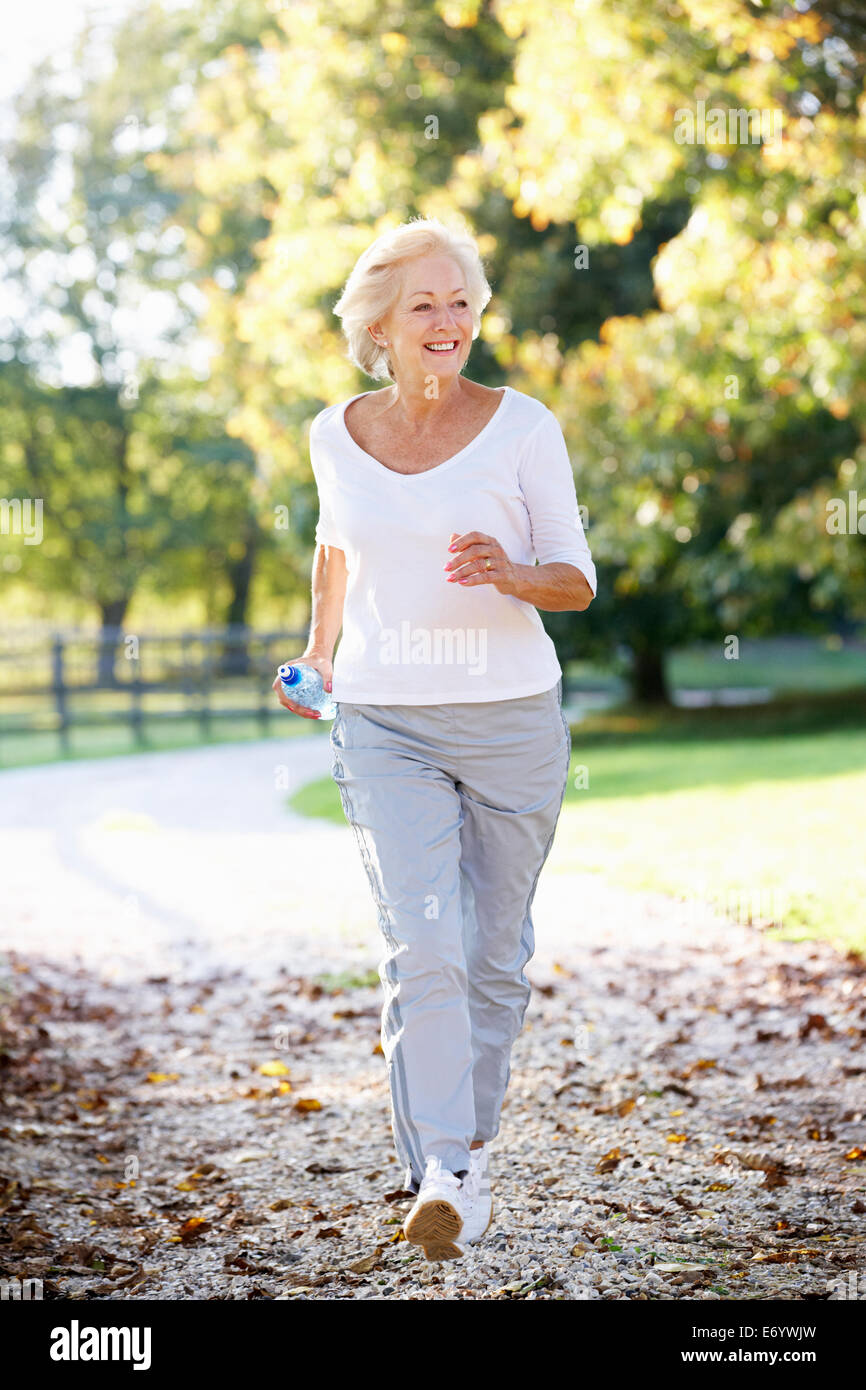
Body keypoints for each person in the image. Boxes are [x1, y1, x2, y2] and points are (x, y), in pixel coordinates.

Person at [273, 217, 596, 1262]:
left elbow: (574, 579)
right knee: (423, 940)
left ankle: (466, 1150)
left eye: (461, 300)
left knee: (490, 953)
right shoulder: (334, 433)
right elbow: (336, 552)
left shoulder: (521, 427)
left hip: (509, 718)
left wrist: (507, 570)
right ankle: (444, 1168)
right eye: (424, 303)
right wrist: (319, 657)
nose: (449, 320)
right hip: (383, 718)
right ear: (380, 323)